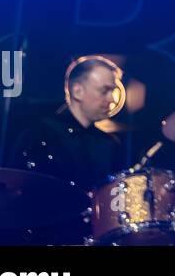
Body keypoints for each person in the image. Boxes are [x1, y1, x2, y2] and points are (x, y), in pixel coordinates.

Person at [14, 56, 126, 242]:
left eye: (112, 91)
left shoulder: (109, 144)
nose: (111, 99)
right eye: (104, 91)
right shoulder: (41, 134)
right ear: (77, 91)